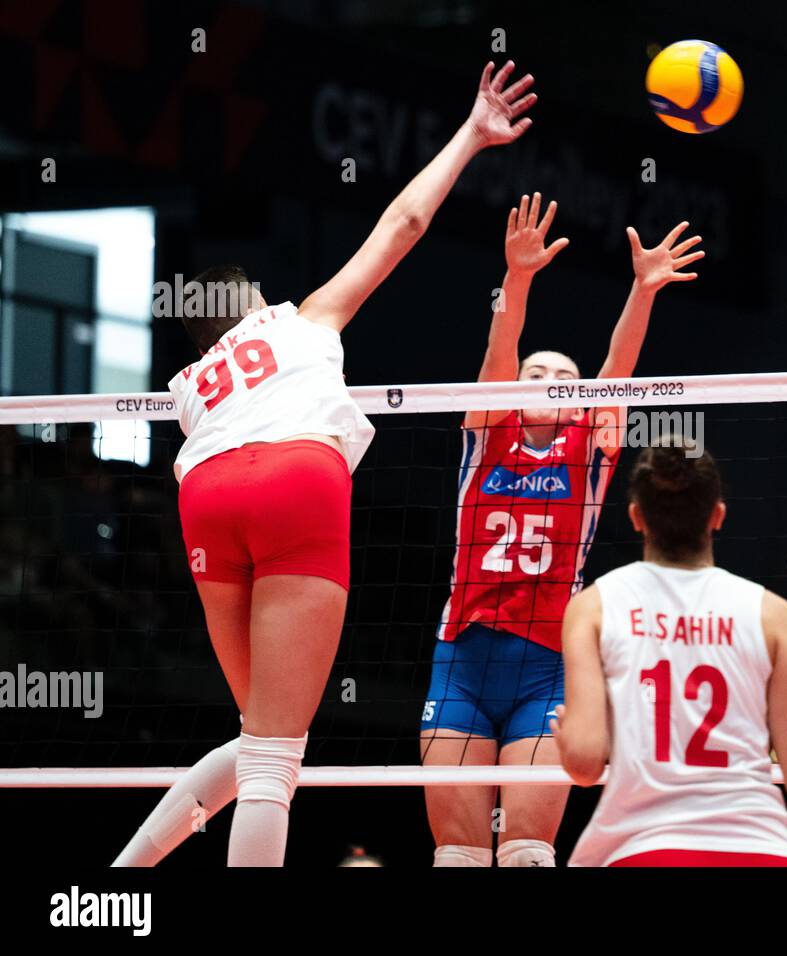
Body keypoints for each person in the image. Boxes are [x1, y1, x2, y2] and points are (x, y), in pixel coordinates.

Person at [112, 60, 538, 866]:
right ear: (253, 303)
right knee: (274, 756)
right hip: (294, 483)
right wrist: (473, 135)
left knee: (264, 738)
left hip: (205, 492)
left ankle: (117, 879)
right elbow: (403, 225)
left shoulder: (187, 383)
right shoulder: (302, 321)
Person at [419, 193, 705, 867]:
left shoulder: (590, 444)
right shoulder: (486, 434)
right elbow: (500, 346)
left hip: (546, 668)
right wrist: (516, 278)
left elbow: (619, 368)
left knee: (525, 854)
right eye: (536, 373)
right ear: (512, 388)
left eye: (565, 377)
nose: (551, 382)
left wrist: (643, 290)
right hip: (461, 661)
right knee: (458, 856)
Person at [556, 441, 787, 867]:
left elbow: (585, 764)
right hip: (761, 849)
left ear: (636, 518)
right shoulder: (773, 614)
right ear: (718, 515)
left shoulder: (594, 604)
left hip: (641, 847)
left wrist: (569, 744)